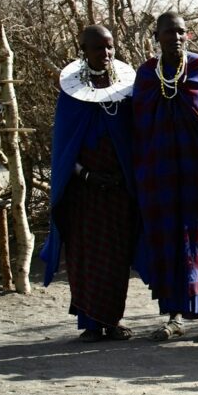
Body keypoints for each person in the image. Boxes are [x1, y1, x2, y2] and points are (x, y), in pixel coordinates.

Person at [133, 12, 198, 342]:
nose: (175, 37)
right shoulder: (147, 75)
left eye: (181, 32)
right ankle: (173, 316)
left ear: (187, 36)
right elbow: (140, 128)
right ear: (156, 36)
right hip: (163, 174)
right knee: (170, 242)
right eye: (168, 32)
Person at [41, 25, 138, 342]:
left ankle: (112, 320)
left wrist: (124, 173)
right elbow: (65, 149)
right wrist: (87, 174)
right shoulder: (71, 96)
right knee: (86, 255)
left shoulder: (125, 92)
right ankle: (90, 323)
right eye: (98, 48)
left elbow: (132, 139)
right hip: (84, 192)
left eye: (110, 47)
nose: (106, 53)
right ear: (83, 50)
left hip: (119, 190)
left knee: (116, 255)